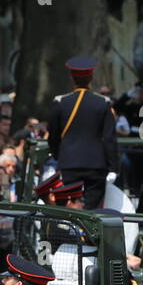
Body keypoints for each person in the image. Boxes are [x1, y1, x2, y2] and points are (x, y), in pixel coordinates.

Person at [48, 56, 119, 210]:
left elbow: (53, 136)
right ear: (91, 77)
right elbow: (109, 139)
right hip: (96, 165)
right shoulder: (102, 103)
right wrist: (113, 167)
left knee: (72, 210)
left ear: (72, 78)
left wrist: (59, 156)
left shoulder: (60, 102)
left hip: (69, 163)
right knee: (92, 211)